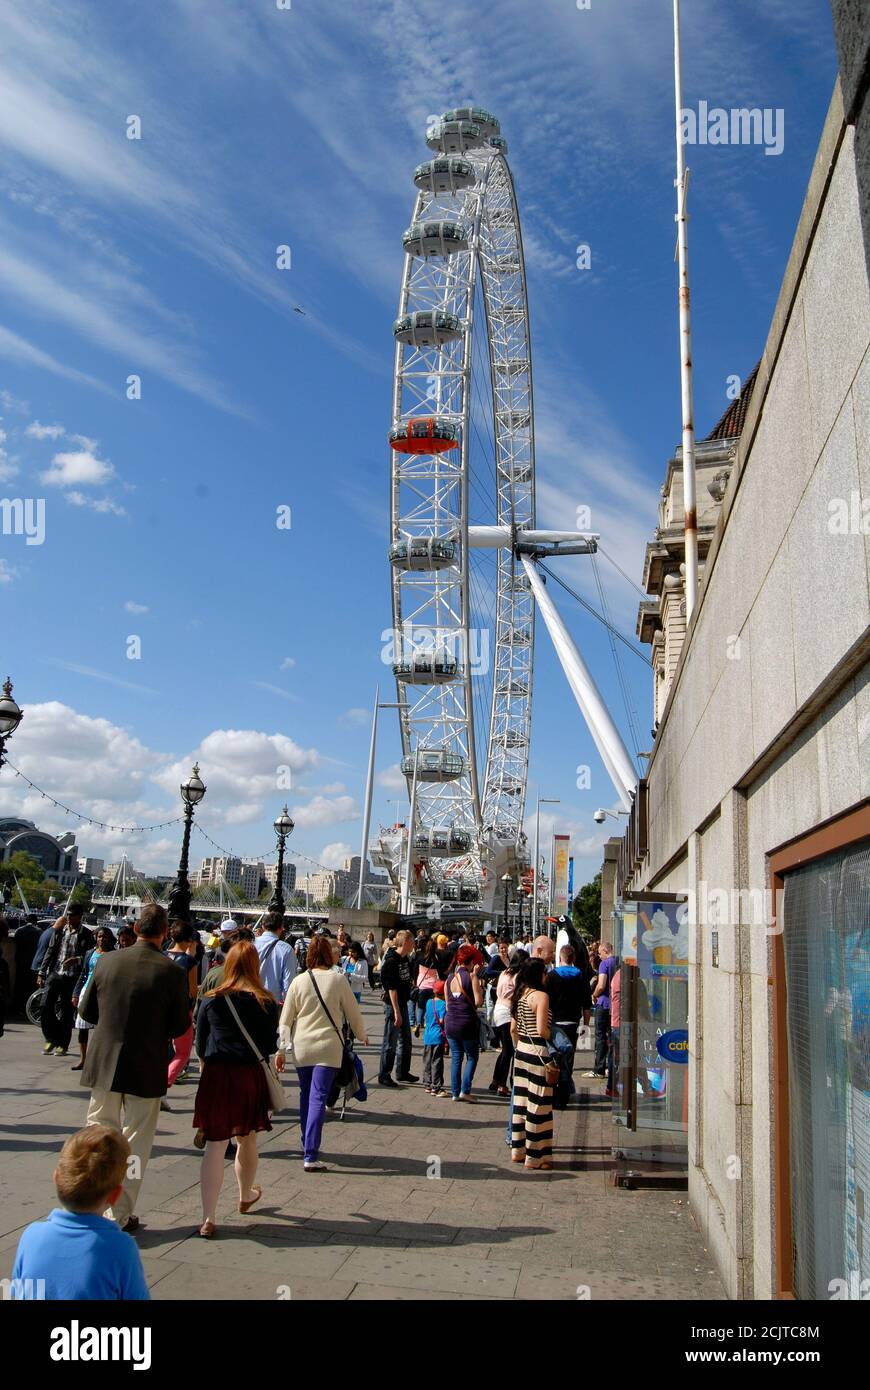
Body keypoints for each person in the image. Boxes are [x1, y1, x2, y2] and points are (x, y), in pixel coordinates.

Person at [78, 903, 190, 1233]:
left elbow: (88, 1011)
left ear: (136, 927)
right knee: (137, 1143)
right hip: (146, 1064)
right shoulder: (171, 972)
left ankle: (91, 1203)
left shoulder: (108, 961)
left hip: (105, 1062)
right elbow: (178, 1025)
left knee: (99, 1134)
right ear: (165, 932)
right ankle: (121, 1213)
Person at [193, 941, 281, 1237]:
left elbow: (200, 1045)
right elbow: (269, 1046)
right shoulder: (266, 1002)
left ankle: (208, 1217)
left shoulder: (211, 1000)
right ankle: (245, 1195)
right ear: (255, 967)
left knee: (215, 1146)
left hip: (217, 1075)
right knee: (247, 1140)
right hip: (247, 1076)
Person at [10, 1126, 149, 1300]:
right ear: (115, 1196)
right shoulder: (121, 1247)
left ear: (56, 1178)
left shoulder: (31, 1236)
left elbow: (19, 1292)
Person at [279, 936, 367, 1172]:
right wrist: (361, 1034)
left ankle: (305, 1141)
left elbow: (286, 1020)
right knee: (319, 1096)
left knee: (306, 1095)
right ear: (330, 955)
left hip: (302, 1046)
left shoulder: (298, 981)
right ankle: (311, 1153)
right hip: (328, 1047)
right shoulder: (338, 980)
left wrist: (280, 1049)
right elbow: (353, 1012)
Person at [510, 958, 555, 1170]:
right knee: (539, 1106)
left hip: (521, 1052)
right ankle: (536, 1156)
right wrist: (553, 1033)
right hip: (538, 1052)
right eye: (544, 972)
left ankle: (518, 1150)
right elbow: (541, 1030)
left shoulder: (520, 994)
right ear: (539, 975)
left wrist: (519, 1046)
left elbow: (513, 1028)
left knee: (520, 1102)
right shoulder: (541, 996)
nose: (546, 976)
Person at [38, 905, 95, 1057]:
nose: (68, 918)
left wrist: (76, 960)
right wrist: (42, 971)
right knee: (45, 1005)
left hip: (72, 977)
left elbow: (89, 956)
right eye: (68, 915)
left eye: (72, 915)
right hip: (55, 973)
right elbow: (50, 951)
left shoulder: (87, 935)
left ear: (80, 916)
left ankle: (62, 1044)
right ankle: (50, 1038)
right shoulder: (60, 931)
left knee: (66, 1010)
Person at [547, 944, 593, 1106]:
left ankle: (554, 1092)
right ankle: (564, 1094)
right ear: (573, 959)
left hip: (555, 1023)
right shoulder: (581, 976)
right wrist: (585, 1026)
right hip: (573, 1023)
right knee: (569, 1058)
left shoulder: (551, 976)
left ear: (560, 958)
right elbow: (587, 1004)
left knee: (554, 1058)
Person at [70, 926, 116, 1071]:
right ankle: (83, 1059)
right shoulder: (90, 953)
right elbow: (84, 974)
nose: (102, 939)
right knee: (83, 1027)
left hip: (105, 993)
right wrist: (76, 993)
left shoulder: (114, 954)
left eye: (105, 937)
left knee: (102, 1029)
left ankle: (100, 1060)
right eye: (99, 936)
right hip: (87, 991)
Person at [443, 944, 485, 1101]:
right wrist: (478, 983)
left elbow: (448, 1004)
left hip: (451, 1022)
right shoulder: (471, 977)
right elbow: (479, 1001)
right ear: (472, 961)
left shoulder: (449, 979)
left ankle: (455, 1092)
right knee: (472, 1056)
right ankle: (465, 1091)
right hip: (466, 1022)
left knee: (456, 1057)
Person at [378, 929, 417, 1087]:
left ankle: (402, 1072)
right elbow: (391, 988)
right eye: (412, 941)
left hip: (403, 1002)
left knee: (406, 1039)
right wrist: (396, 1012)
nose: (414, 944)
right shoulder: (391, 960)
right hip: (392, 1004)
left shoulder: (405, 958)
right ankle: (384, 1074)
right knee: (390, 1041)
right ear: (406, 942)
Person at [489, 951, 523, 1096]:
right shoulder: (517, 976)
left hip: (498, 1009)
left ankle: (496, 1080)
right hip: (507, 1012)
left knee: (505, 1049)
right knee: (509, 1050)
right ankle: (502, 1085)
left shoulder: (504, 973)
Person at [586, 940, 618, 1079]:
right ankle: (611, 1067)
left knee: (600, 1037)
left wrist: (594, 995)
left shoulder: (604, 964)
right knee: (612, 1037)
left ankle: (599, 1068)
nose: (599, 956)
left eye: (600, 953)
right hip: (615, 1005)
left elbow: (601, 985)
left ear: (605, 951)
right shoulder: (618, 962)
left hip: (603, 1003)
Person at [254, 910, 297, 1004]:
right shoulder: (286, 949)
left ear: (263, 926)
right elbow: (288, 981)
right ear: (281, 928)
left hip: (251, 998)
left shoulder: (251, 944)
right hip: (272, 1002)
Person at [421, 980, 448, 1096]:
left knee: (427, 1061)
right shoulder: (443, 1005)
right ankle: (436, 1086)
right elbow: (442, 1021)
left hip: (427, 1036)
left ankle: (427, 1084)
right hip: (438, 1036)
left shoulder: (429, 1002)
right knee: (436, 1061)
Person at [12, 913, 40, 1015]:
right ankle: (27, 1007)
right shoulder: (38, 932)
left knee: (19, 984)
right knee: (29, 986)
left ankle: (16, 1007)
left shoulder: (19, 930)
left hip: (20, 961)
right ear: (35, 921)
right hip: (32, 962)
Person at [413, 935, 440, 1038]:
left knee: (420, 1006)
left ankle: (418, 1023)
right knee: (430, 1007)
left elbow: (415, 970)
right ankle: (429, 1024)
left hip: (422, 985)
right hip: (432, 986)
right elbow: (440, 974)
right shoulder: (436, 960)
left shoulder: (420, 958)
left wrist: (415, 982)